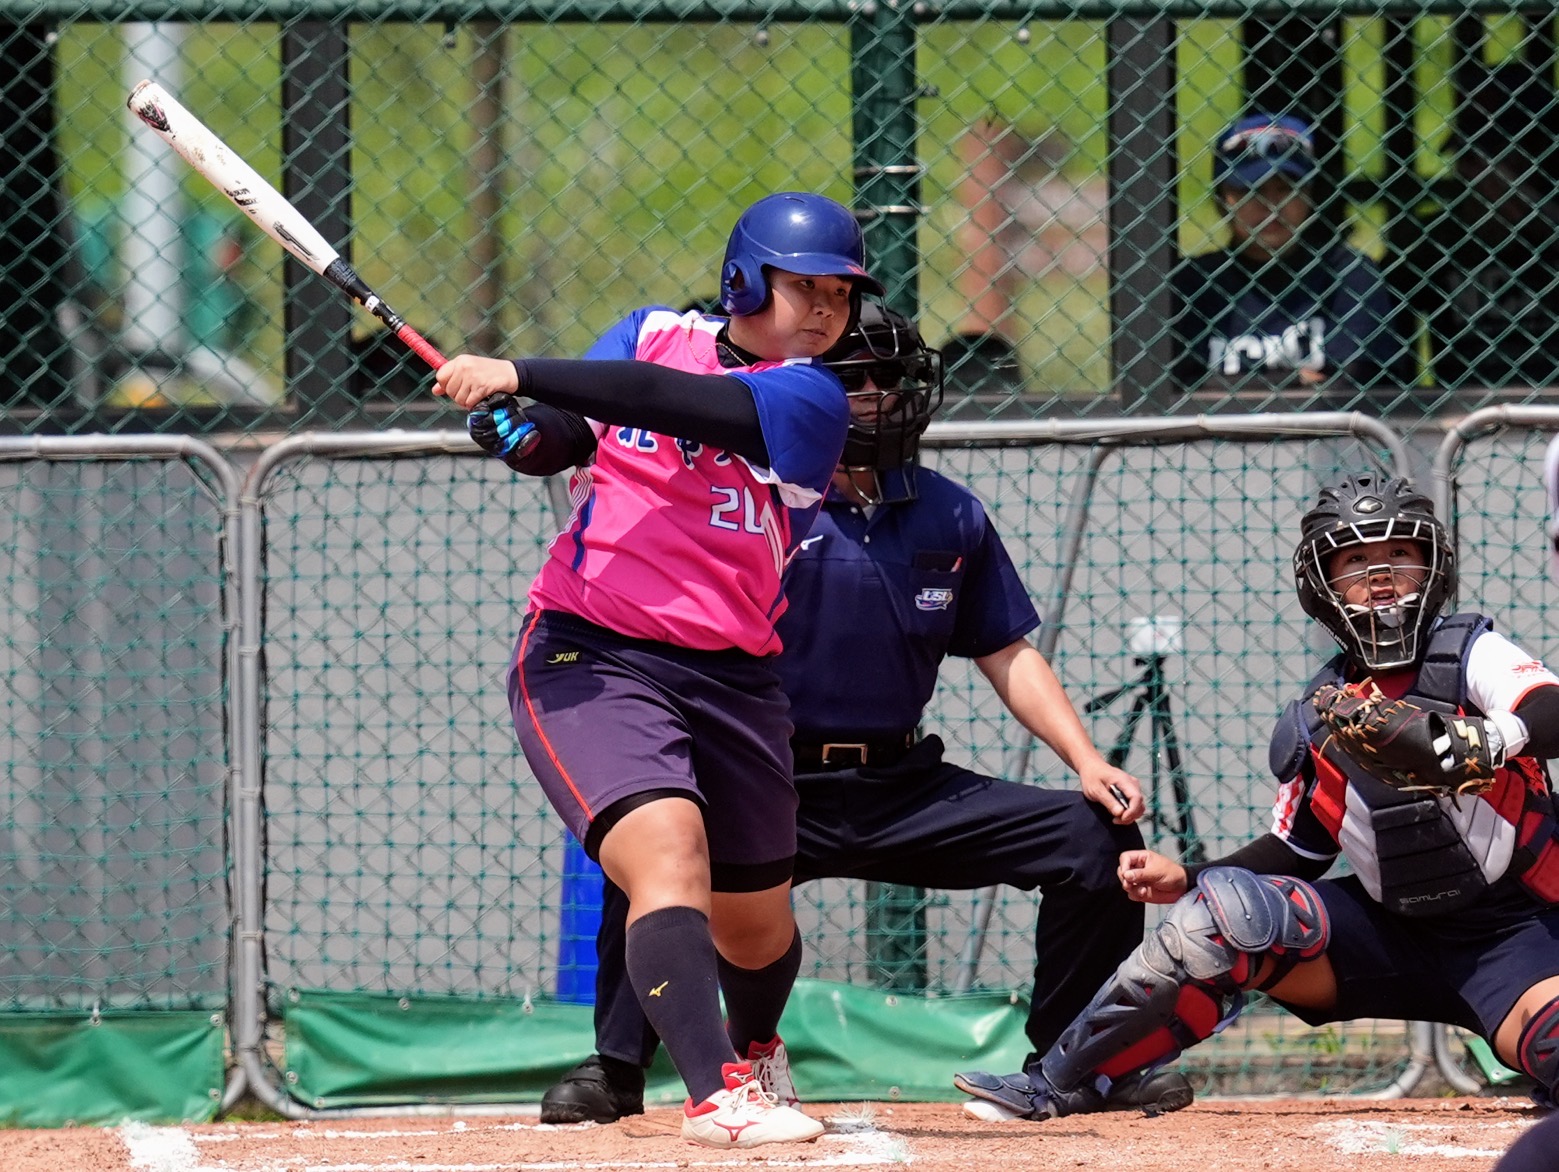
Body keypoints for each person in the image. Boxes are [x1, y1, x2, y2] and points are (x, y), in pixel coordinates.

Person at [536, 303, 1195, 1128]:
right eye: (854, 379)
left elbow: (1007, 651)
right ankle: (618, 1065)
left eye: (890, 378)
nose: (875, 395)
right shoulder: (758, 500)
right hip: (766, 774)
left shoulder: (949, 513)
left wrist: (1085, 760)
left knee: (1089, 838)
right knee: (658, 844)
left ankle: (1075, 1059)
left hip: (896, 781)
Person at [433, 191, 883, 1149]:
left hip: (734, 677)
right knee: (665, 851)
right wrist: (524, 432)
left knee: (754, 924)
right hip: (590, 650)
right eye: (801, 287)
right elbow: (572, 429)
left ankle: (758, 1046)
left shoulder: (810, 396)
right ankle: (717, 1093)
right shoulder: (649, 331)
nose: (822, 311)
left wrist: (516, 369)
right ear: (743, 279)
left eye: (839, 295)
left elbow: (661, 402)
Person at [956, 471, 1559, 1122]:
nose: (1378, 574)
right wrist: (1186, 876)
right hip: (1390, 938)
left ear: (1431, 566)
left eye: (1397, 555)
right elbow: (1296, 851)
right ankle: (1064, 1081)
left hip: (1514, 936)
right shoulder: (1319, 713)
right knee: (1225, 920)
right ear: (1322, 585)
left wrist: (1479, 743)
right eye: (1354, 560)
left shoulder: (1468, 650)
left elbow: (1548, 711)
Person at [1171, 114, 1409, 395]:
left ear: (1309, 195)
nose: (1271, 206)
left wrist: (1230, 386)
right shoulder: (1192, 284)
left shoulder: (1348, 274)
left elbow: (1363, 383)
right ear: (1223, 199)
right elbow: (1174, 387)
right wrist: (1291, 380)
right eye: (1252, 190)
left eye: (1286, 188)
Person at [1405, 62, 1559, 392]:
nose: (1477, 175)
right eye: (1468, 157)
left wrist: (1538, 219)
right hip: (1464, 412)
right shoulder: (1439, 241)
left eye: (1500, 159)